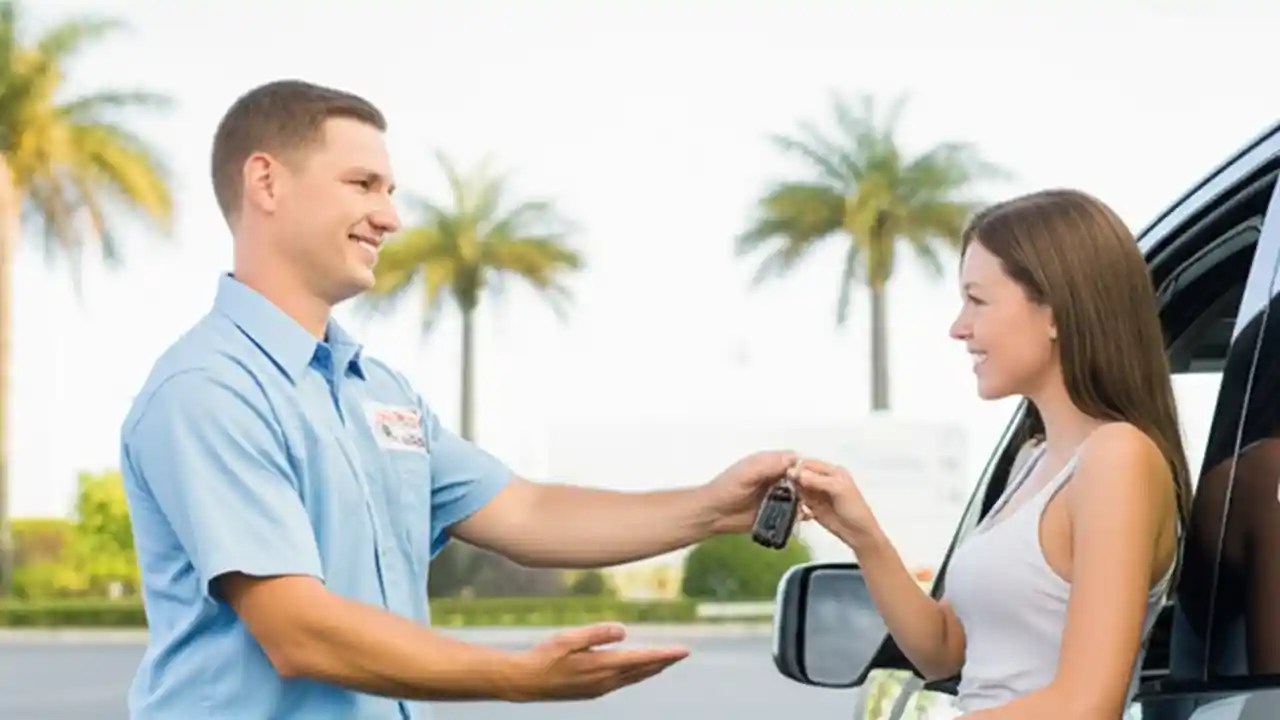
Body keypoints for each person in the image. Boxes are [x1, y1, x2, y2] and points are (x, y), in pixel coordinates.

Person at [118, 79, 797, 719]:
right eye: (362, 184)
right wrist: (517, 678)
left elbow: (526, 511)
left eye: (389, 190)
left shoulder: (377, 390)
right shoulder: (208, 391)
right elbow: (299, 632)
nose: (388, 216)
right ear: (266, 181)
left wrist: (709, 509)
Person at [791, 189, 1191, 718]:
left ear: (1054, 311)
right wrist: (864, 535)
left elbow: (1086, 704)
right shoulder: (1032, 461)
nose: (959, 327)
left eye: (977, 300)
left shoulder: (1117, 458)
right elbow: (943, 651)